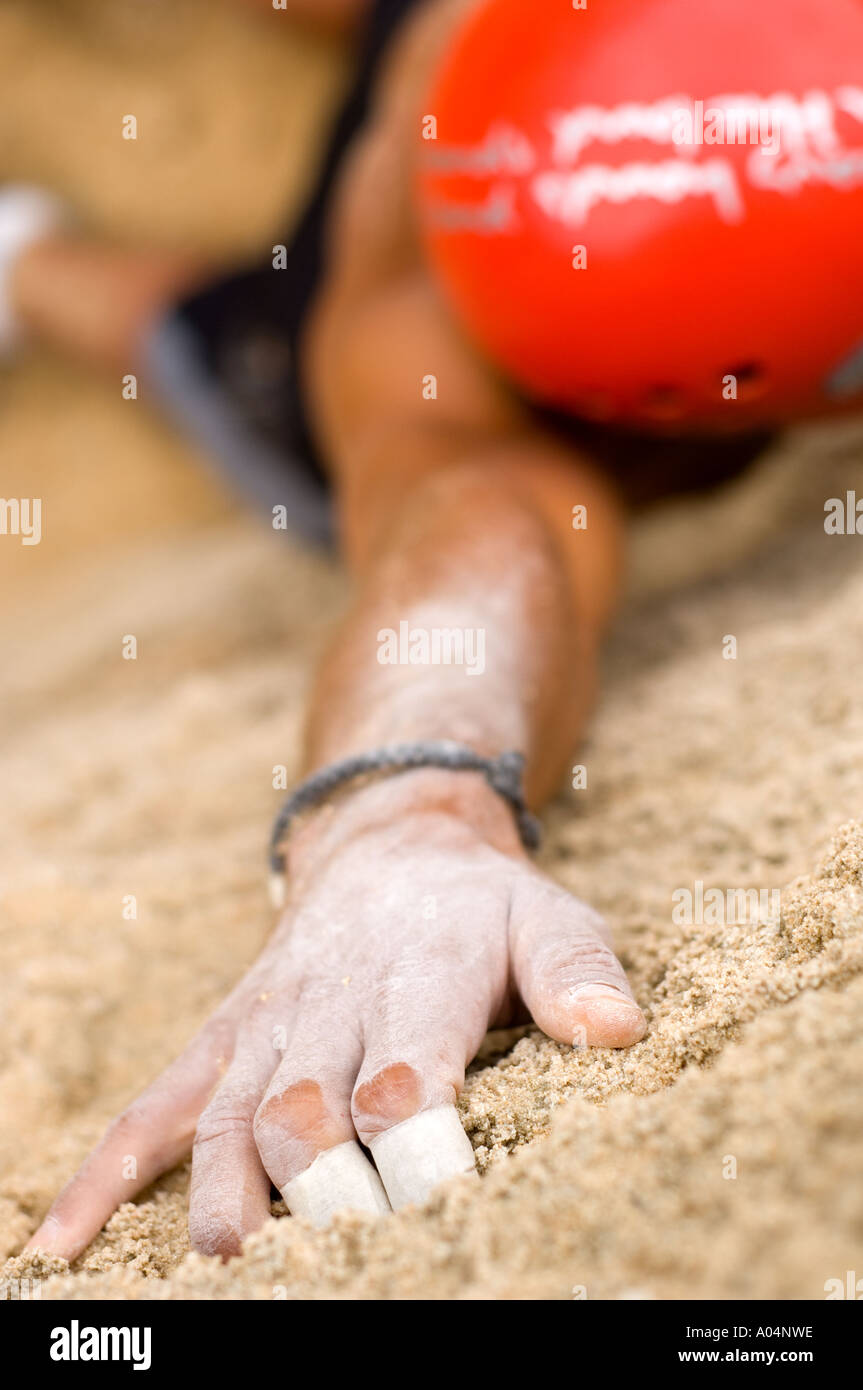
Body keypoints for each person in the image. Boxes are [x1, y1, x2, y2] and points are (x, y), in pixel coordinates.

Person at [13, 0, 792, 1258]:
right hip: (369, 326)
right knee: (207, 341)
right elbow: (472, 502)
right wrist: (405, 808)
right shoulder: (444, 228)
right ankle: (27, 258)